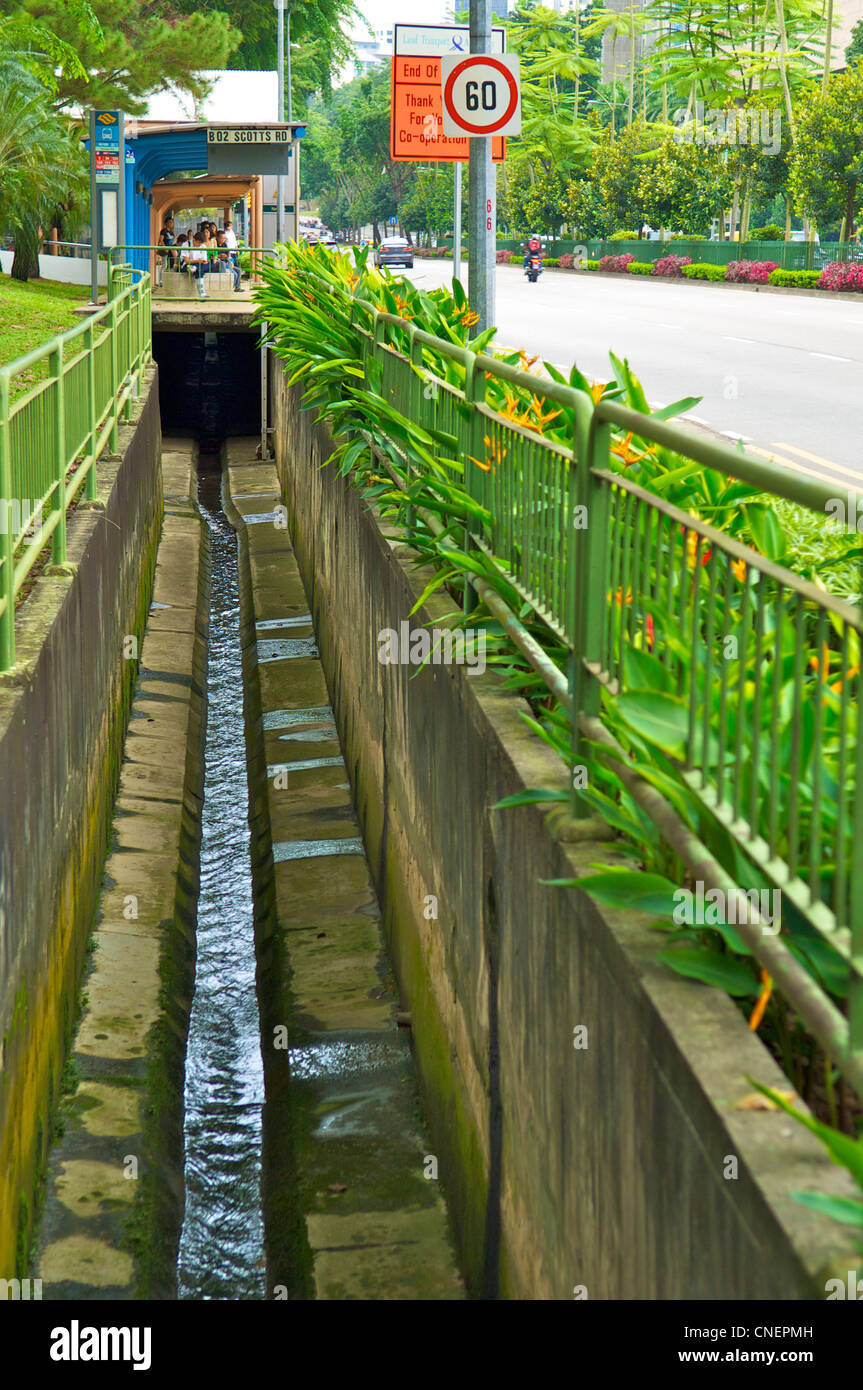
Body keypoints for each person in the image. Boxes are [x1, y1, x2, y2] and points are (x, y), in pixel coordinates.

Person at [185, 232, 209, 299]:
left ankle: (202, 294)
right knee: (199, 270)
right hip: (188, 264)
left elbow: (204, 259)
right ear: (194, 239)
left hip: (199, 265)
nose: (199, 245)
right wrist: (198, 261)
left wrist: (202, 261)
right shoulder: (186, 244)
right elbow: (186, 261)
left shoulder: (203, 246)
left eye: (201, 243)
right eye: (198, 242)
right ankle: (202, 294)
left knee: (200, 269)